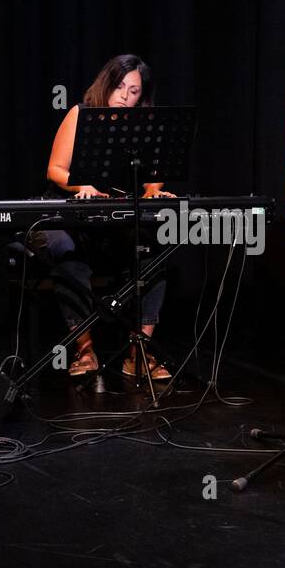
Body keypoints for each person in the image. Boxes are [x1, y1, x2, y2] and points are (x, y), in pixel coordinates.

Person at [41, 54, 173, 379]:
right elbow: (55, 169)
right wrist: (81, 185)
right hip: (77, 220)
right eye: (120, 87)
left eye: (134, 91)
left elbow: (153, 176)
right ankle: (85, 350)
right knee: (64, 251)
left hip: (115, 223)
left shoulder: (141, 124)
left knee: (154, 250)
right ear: (107, 85)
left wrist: (152, 192)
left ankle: (138, 351)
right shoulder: (81, 114)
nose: (126, 97)